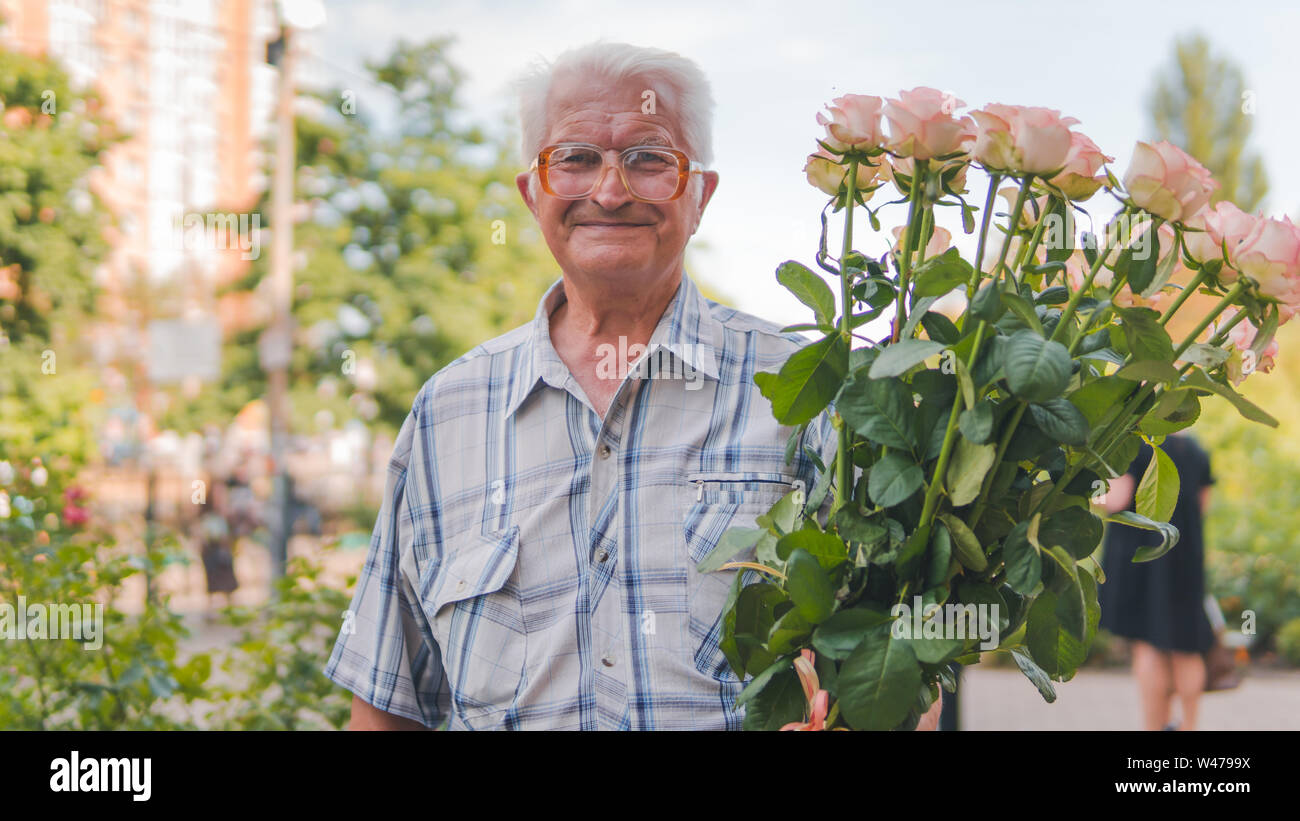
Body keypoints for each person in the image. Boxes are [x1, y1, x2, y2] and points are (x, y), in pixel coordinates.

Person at [324, 41, 941, 731]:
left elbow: (894, 669)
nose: (611, 192)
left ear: (700, 195)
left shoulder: (815, 393)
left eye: (649, 159)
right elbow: (386, 704)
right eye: (575, 159)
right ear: (532, 194)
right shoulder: (447, 413)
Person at [1098, 433, 1216, 731]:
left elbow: (1117, 499)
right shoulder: (1196, 449)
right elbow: (1202, 505)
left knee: (1148, 644)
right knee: (1186, 645)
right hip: (1185, 559)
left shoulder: (1133, 444)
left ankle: (1154, 726)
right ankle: (1189, 725)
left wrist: (1088, 492)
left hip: (1144, 559)